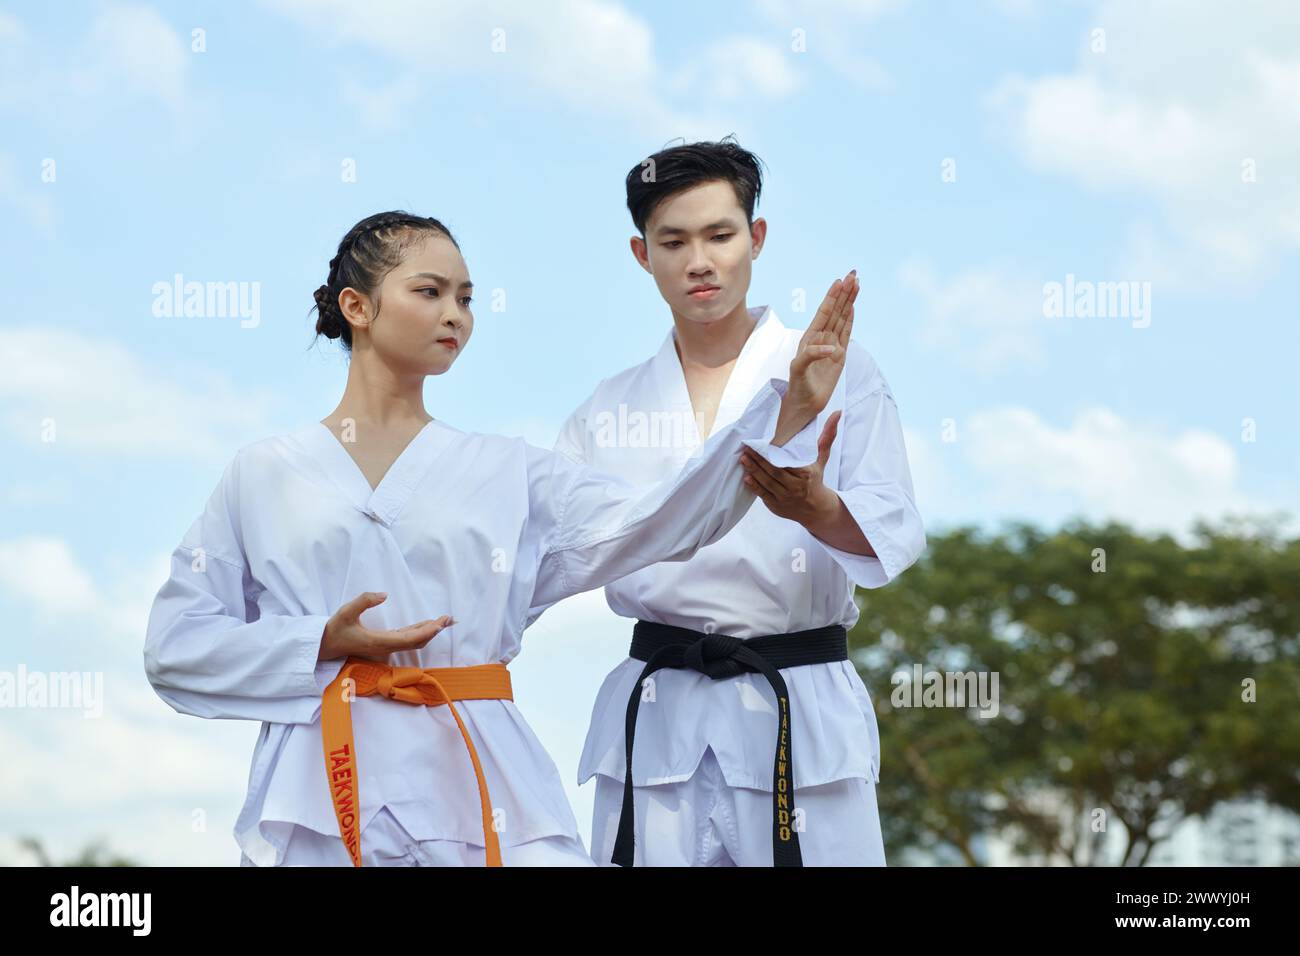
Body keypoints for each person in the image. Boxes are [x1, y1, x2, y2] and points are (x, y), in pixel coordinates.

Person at [142, 209, 854, 867]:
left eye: (467, 297)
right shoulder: (264, 474)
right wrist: (320, 643)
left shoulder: (509, 472)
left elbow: (660, 520)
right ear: (357, 307)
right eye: (430, 291)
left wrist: (783, 412)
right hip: (317, 794)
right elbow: (176, 649)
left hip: (480, 779)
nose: (455, 314)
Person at [549, 139, 926, 866]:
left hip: (800, 706)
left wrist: (816, 508)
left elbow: (896, 526)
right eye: (674, 241)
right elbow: (555, 551)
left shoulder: (842, 372)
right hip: (657, 711)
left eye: (720, 235)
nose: (700, 260)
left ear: (755, 238)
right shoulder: (606, 410)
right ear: (641, 253)